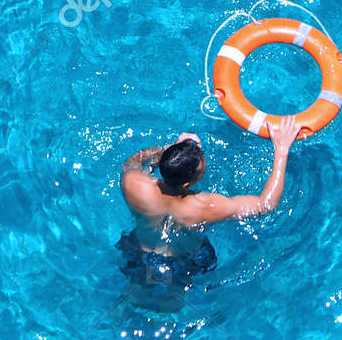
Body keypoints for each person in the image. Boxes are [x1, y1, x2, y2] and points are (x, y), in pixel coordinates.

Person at [116, 117, 301, 308]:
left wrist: (170, 149)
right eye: (201, 162)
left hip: (140, 250)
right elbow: (266, 204)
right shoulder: (206, 206)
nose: (203, 157)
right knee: (173, 298)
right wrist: (281, 150)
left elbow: (134, 161)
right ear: (188, 184)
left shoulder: (134, 184)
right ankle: (167, 319)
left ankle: (124, 313)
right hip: (181, 261)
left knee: (137, 288)